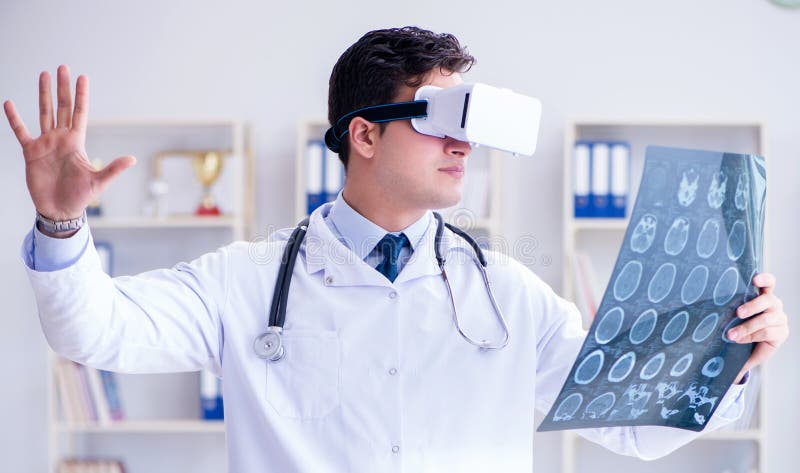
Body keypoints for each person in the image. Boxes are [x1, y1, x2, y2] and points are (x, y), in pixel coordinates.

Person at [4, 26, 789, 472]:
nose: (462, 141)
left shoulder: (508, 295)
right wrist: (61, 224)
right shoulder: (242, 282)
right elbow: (94, 331)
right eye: (438, 114)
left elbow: (635, 427)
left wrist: (730, 357)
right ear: (365, 133)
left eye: (467, 118)